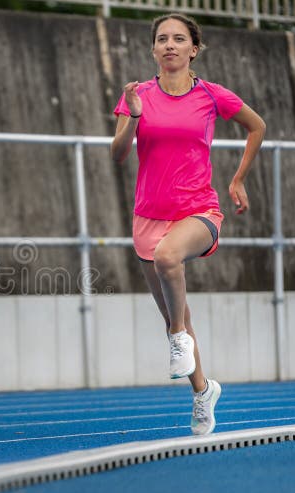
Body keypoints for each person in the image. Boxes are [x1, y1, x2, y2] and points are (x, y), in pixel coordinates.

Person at [110, 13, 266, 435]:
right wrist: (136, 118)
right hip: (148, 215)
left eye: (179, 39)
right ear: (154, 49)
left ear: (193, 49)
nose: (170, 45)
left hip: (199, 210)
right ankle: (202, 393)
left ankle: (179, 339)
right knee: (173, 311)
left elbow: (257, 127)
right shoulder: (137, 95)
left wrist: (238, 178)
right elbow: (119, 154)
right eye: (162, 39)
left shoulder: (212, 95)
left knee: (168, 259)